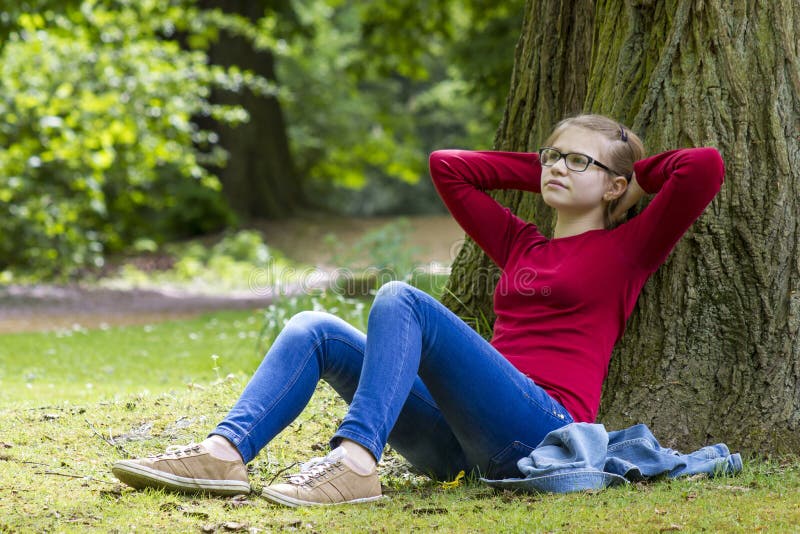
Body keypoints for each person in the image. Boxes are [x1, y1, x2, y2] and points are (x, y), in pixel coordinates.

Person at [111, 114, 725, 507]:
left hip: (543, 430)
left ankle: (355, 462)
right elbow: (449, 169)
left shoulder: (628, 248)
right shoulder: (520, 243)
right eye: (552, 155)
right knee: (313, 328)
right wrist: (555, 169)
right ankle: (224, 455)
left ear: (616, 187)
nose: (558, 166)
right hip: (459, 443)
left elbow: (704, 168)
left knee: (399, 297)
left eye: (578, 162)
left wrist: (630, 172)